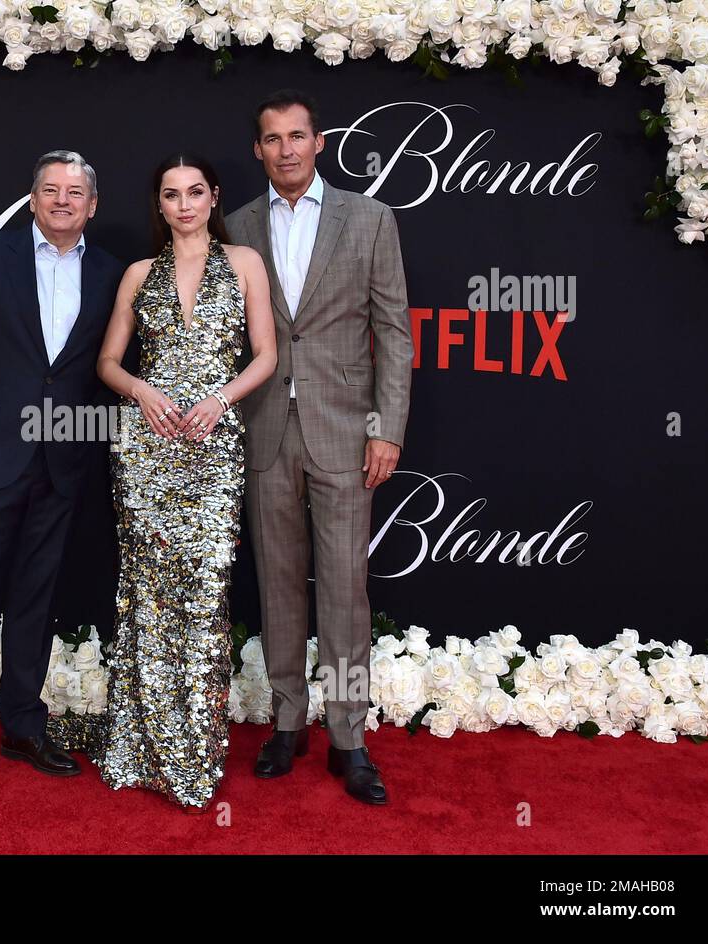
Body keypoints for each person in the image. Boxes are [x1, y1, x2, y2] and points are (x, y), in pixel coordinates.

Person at [47, 153, 277, 809]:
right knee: (145, 602)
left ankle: (192, 760)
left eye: (195, 192)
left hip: (212, 451)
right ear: (159, 205)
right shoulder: (138, 275)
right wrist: (140, 389)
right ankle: (138, 746)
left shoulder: (245, 265)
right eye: (171, 194)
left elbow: (267, 354)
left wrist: (221, 400)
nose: (183, 204)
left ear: (214, 198)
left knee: (204, 602)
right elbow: (107, 362)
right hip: (145, 455)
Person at [224, 89, 414, 805]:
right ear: (259, 150)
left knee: (345, 594)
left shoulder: (369, 219)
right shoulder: (236, 225)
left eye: (297, 136)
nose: (287, 150)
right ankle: (285, 722)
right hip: (266, 431)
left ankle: (349, 737)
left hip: (346, 433)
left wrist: (387, 427)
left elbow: (394, 334)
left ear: (320, 141)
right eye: (273, 139)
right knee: (277, 588)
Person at [0, 150, 126, 801]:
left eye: (75, 192)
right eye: (50, 189)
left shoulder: (111, 272)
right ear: (32, 198)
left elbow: (103, 369)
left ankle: (21, 724)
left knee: (36, 602)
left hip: (62, 462)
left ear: (92, 205)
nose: (63, 200)